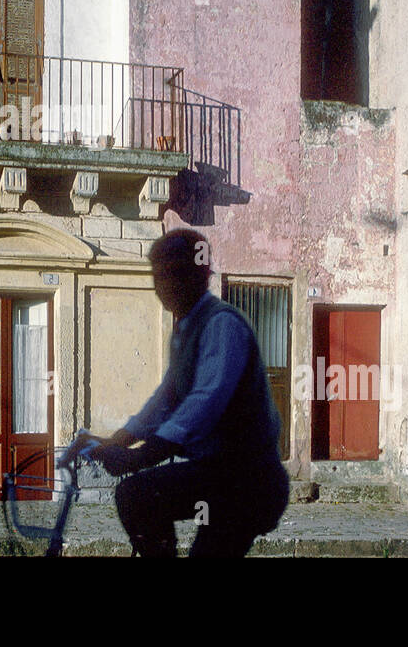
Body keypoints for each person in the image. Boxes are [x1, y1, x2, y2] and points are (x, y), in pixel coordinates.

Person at [86, 228, 289, 556]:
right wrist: (118, 439)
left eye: (174, 274)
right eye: (159, 276)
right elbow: (164, 402)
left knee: (142, 497)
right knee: (134, 495)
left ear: (200, 276)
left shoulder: (223, 325)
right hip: (218, 475)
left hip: (249, 480)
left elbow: (203, 405)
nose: (164, 286)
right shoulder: (185, 331)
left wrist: (142, 455)